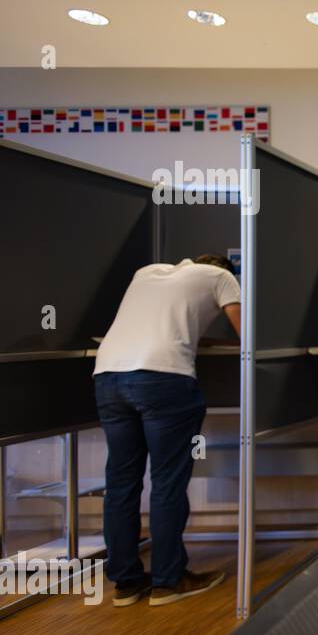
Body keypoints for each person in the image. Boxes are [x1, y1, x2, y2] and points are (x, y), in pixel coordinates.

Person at [93, 254, 240, 606]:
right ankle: (168, 580)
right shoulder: (221, 277)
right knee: (167, 482)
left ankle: (126, 583)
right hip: (163, 380)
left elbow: (158, 325)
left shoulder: (145, 271)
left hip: (108, 377)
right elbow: (248, 334)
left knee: (121, 484)